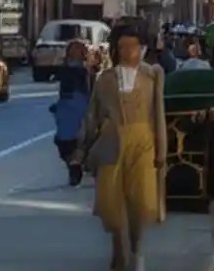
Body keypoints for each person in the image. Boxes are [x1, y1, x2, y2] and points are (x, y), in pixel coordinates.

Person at [79, 24, 167, 271]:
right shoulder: (104, 79)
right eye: (122, 47)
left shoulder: (152, 75)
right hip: (111, 141)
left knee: (141, 202)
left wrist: (161, 150)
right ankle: (119, 248)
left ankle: (137, 250)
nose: (128, 52)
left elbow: (158, 112)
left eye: (133, 46)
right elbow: (92, 116)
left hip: (143, 142)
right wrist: (83, 147)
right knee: (110, 204)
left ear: (142, 49)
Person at [50, 39, 93, 186]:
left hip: (74, 107)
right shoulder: (80, 71)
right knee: (71, 141)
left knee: (73, 141)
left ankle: (75, 165)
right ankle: (75, 164)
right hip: (71, 107)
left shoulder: (81, 71)